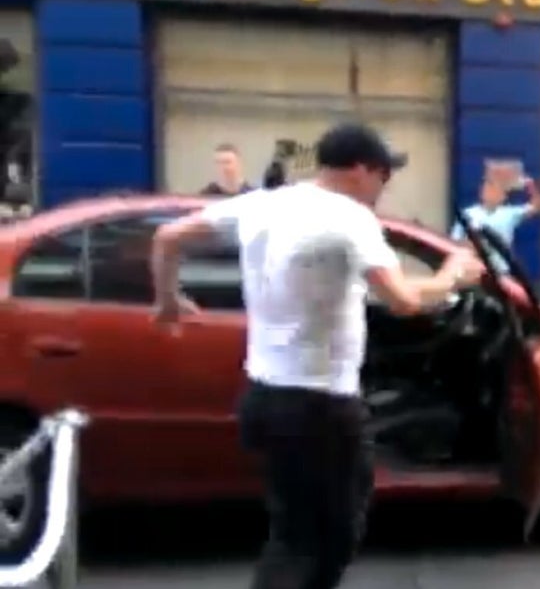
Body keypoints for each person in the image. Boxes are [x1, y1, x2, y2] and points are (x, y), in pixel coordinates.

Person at [148, 122, 485, 589]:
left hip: (264, 398)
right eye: (385, 176)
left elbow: (167, 237)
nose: (384, 187)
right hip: (317, 406)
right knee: (318, 540)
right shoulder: (349, 217)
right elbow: (404, 300)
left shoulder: (261, 204)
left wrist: (167, 299)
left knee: (297, 529)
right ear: (362, 170)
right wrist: (453, 276)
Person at [450, 175, 540, 273]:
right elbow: (454, 242)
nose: (489, 192)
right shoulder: (467, 213)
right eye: (486, 189)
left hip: (502, 271)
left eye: (494, 190)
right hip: (475, 271)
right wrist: (473, 246)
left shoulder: (510, 213)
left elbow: (537, 205)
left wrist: (529, 184)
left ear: (503, 196)